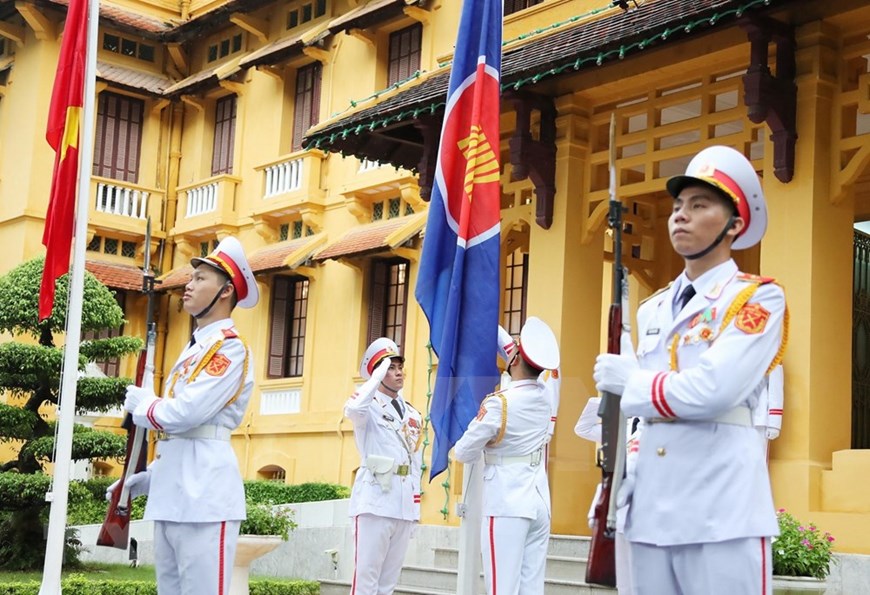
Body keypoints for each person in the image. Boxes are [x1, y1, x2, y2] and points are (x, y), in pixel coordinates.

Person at [593, 145, 788, 595]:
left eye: (700, 205)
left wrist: (631, 382)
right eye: (678, 205)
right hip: (649, 504)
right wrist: (617, 481)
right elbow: (640, 420)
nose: (681, 215)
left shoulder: (756, 299)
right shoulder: (653, 307)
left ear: (734, 225)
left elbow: (714, 390)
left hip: (721, 508)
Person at [109, 236, 259, 595]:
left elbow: (187, 413)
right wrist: (148, 478)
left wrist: (144, 405)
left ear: (225, 291)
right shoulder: (195, 348)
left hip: (205, 495)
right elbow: (179, 434)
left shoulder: (229, 348)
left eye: (200, 279)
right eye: (191, 278)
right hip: (172, 495)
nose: (188, 286)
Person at [454, 316, 560, 595]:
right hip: (538, 500)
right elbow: (525, 361)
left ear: (514, 360)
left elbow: (463, 452)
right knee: (531, 588)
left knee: (502, 588)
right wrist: (491, 325)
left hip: (506, 502)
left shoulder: (499, 404)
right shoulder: (546, 395)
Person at [345, 337, 423, 595]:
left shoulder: (412, 413)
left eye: (400, 367)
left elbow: (415, 462)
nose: (398, 372)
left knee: (388, 584)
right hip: (375, 502)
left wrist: (415, 508)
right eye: (390, 368)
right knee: (366, 580)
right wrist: (375, 377)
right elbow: (353, 409)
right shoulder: (367, 407)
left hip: (402, 505)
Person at [574, 395, 640, 595]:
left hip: (646, 514)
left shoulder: (657, 427)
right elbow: (583, 428)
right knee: (624, 584)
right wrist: (606, 400)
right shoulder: (620, 428)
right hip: (618, 514)